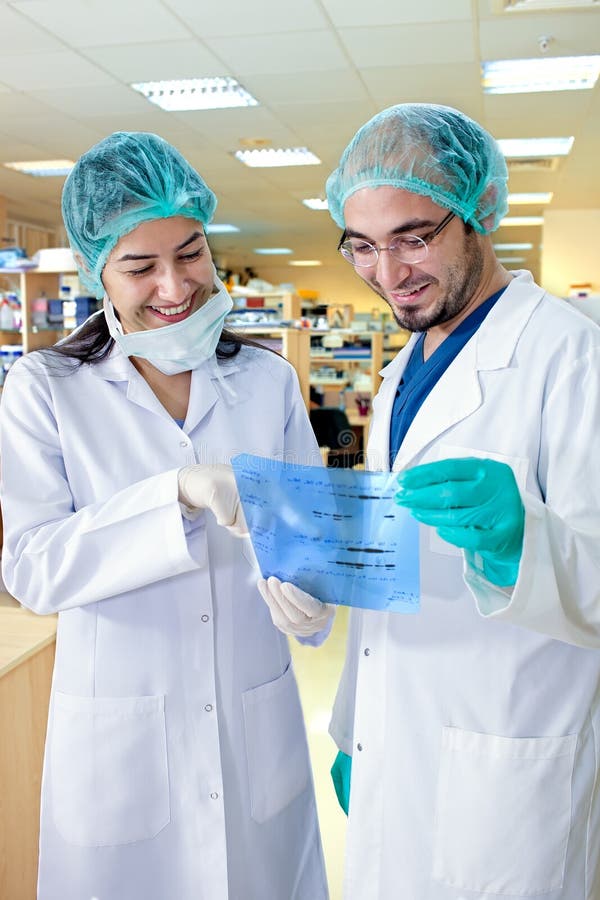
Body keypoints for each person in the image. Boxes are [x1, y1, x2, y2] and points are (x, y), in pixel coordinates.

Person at [262, 102, 600, 898]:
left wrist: (524, 542)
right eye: (363, 246)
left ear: (481, 212)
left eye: (415, 237)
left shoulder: (570, 354)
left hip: (511, 756)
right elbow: (395, 582)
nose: (389, 272)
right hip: (393, 738)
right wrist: (351, 723)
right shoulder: (399, 369)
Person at [0, 131, 333, 900]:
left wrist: (317, 597)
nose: (175, 285)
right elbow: (33, 570)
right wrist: (172, 495)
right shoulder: (46, 390)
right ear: (96, 274)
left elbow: (308, 541)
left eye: (190, 253)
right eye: (139, 266)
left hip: (255, 728)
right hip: (122, 738)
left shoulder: (267, 380)